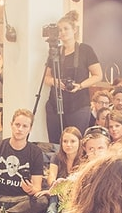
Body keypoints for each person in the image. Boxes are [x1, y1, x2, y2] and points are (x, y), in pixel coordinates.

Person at [42, 10, 104, 141]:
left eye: (66, 29)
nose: (62, 32)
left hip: (79, 104)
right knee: (55, 143)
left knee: (76, 142)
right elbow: (46, 77)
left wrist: (80, 85)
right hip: (55, 104)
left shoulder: (85, 50)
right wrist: (55, 82)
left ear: (74, 30)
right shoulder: (55, 52)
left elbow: (98, 75)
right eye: (59, 30)